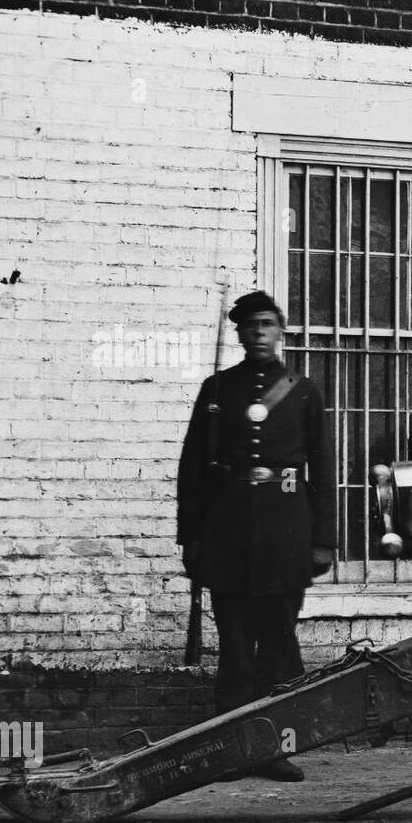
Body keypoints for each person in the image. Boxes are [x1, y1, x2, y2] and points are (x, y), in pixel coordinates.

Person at [177, 291, 336, 780]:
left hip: (286, 530)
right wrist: (193, 537)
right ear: (241, 334)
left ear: (280, 330)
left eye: (268, 324)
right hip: (226, 531)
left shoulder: (304, 391)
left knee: (280, 643)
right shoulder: (217, 389)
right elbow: (191, 470)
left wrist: (323, 538)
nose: (260, 332)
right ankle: (229, 747)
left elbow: (324, 468)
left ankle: (275, 748)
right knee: (234, 645)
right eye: (251, 326)